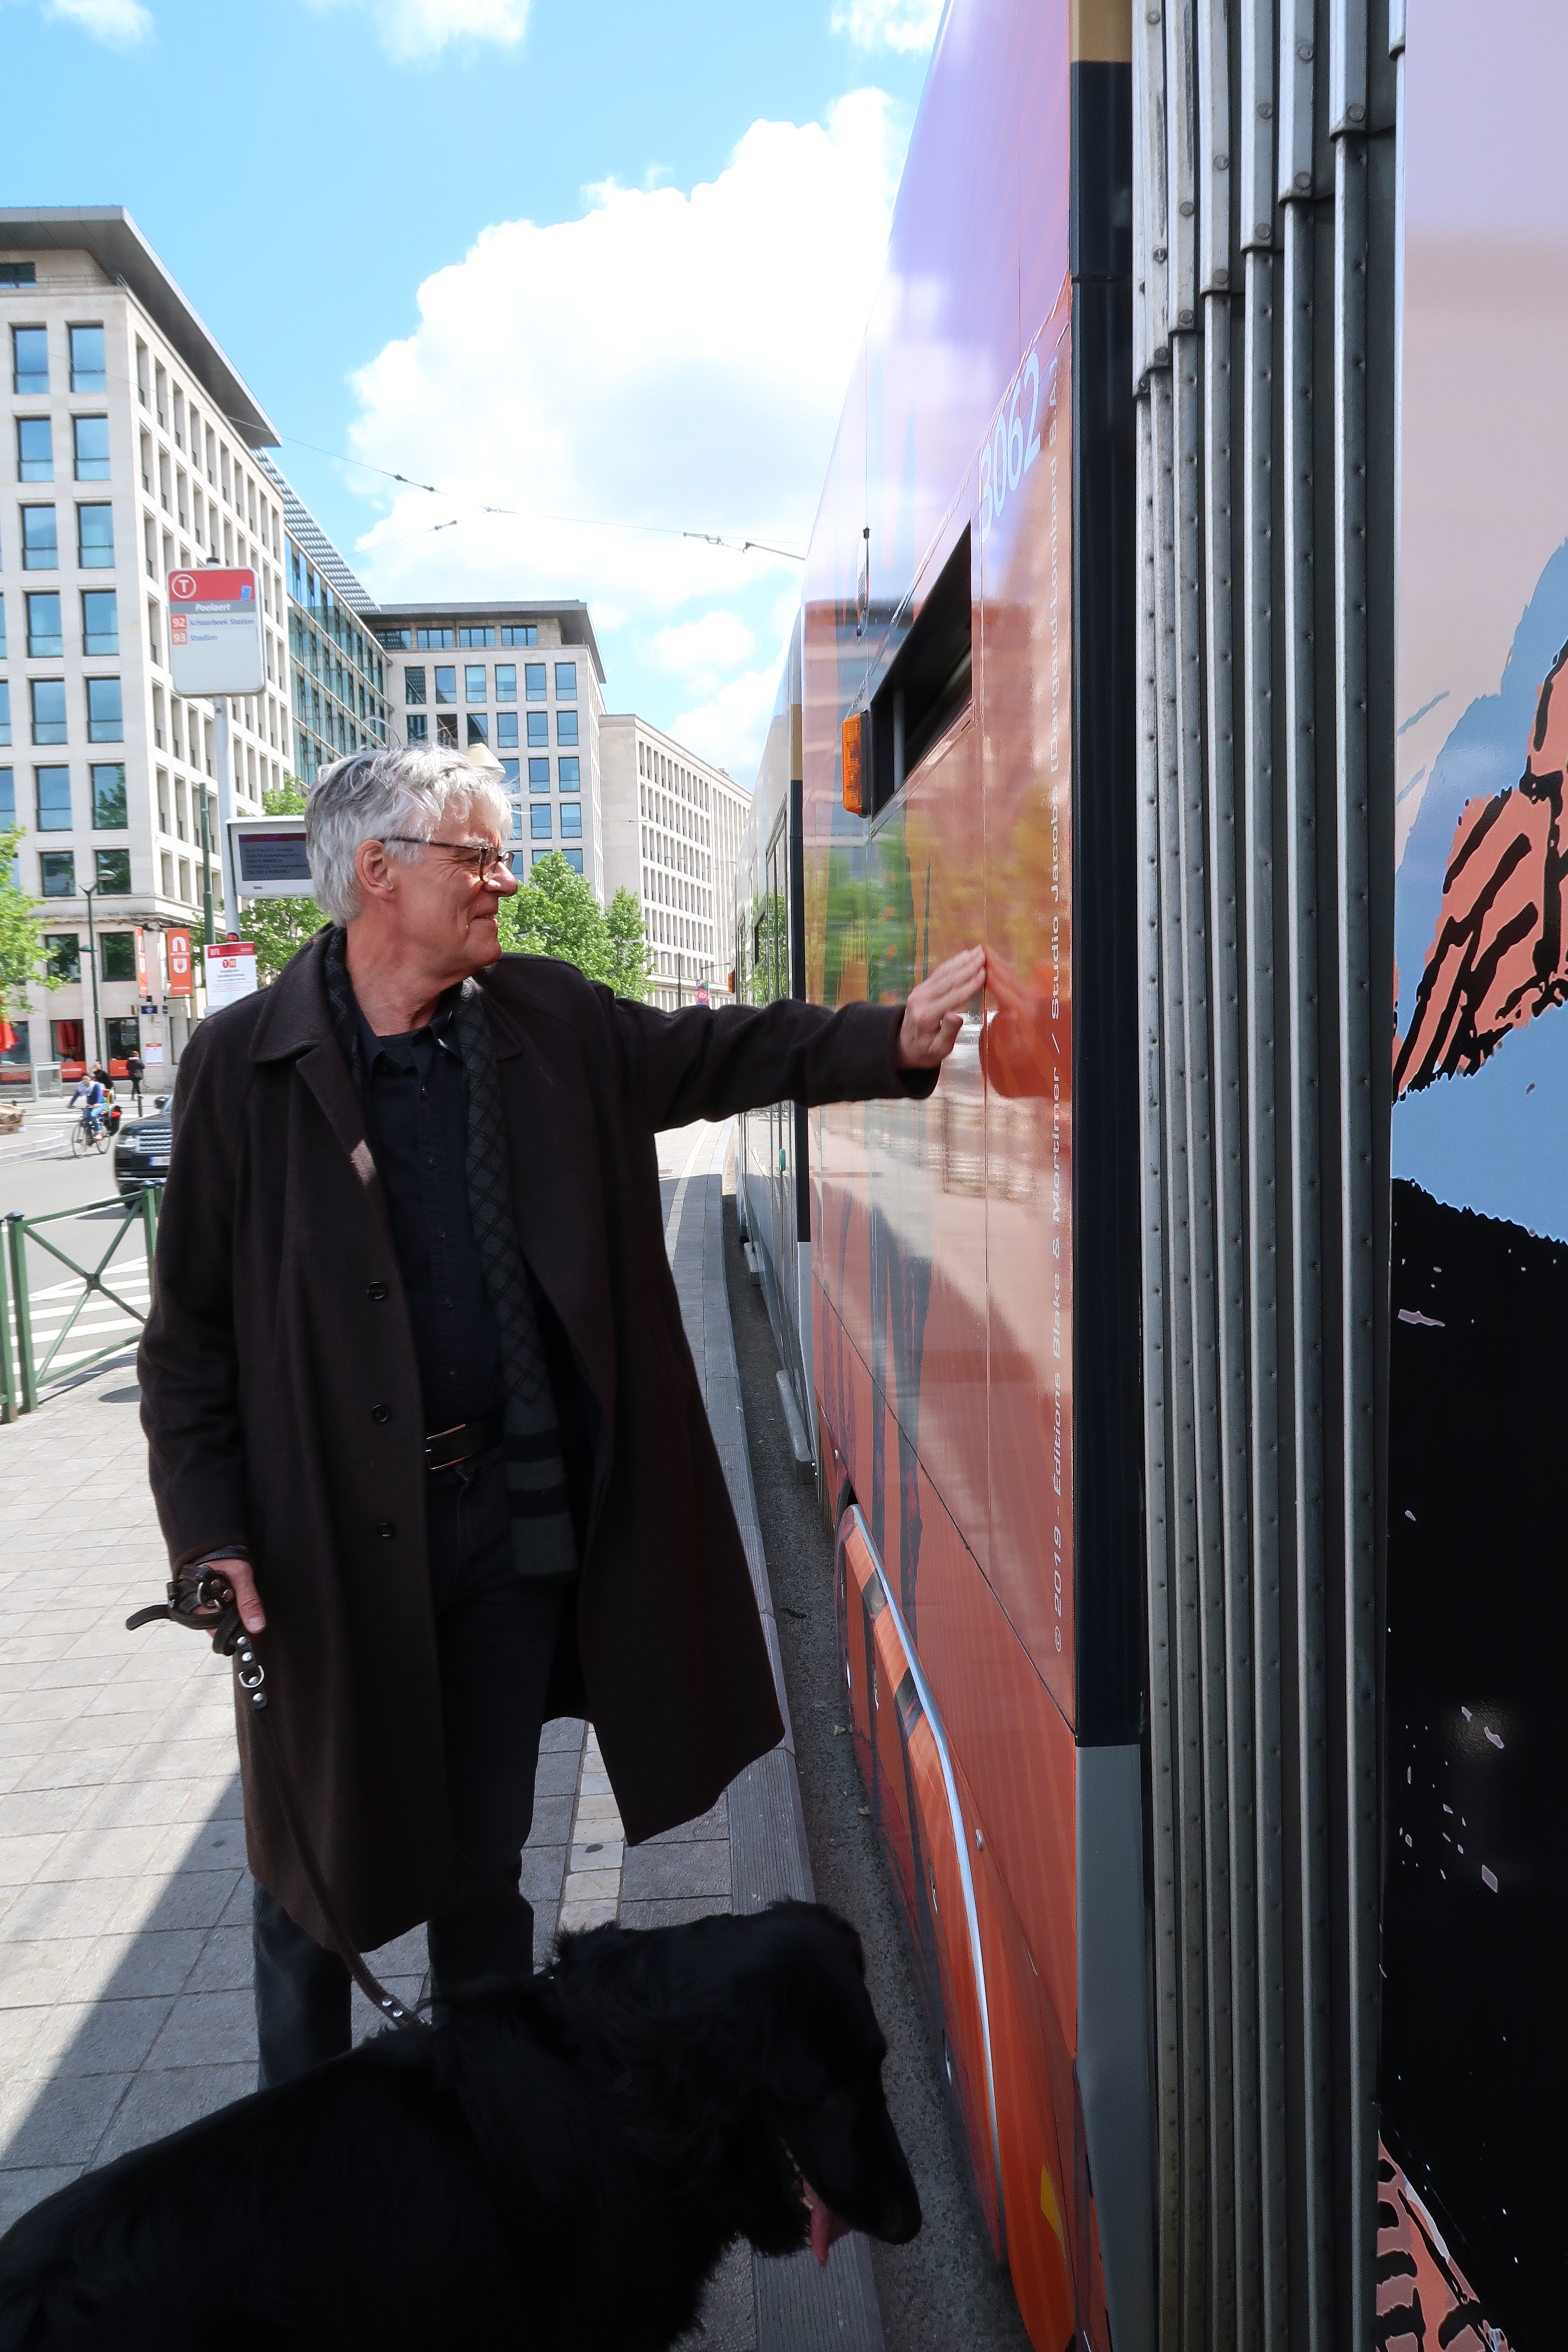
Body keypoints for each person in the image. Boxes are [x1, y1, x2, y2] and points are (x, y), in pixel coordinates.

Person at [137, 743, 981, 2088]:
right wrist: (213, 1538)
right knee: (310, 1891)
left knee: (484, 1878)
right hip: (327, 1560)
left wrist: (889, 1038)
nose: (503, 885)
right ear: (378, 874)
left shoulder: (546, 1023)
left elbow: (717, 1049)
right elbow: (186, 1347)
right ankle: (301, 2205)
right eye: (476, 859)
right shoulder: (245, 1067)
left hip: (505, 1532)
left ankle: (487, 2172)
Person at [125, 1047, 145, 1114]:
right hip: (138, 1075)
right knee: (137, 1085)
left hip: (132, 1075)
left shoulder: (129, 1061)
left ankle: (133, 1096)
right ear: (137, 1055)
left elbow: (127, 1068)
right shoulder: (138, 1061)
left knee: (135, 1085)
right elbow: (143, 1067)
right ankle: (139, 1095)